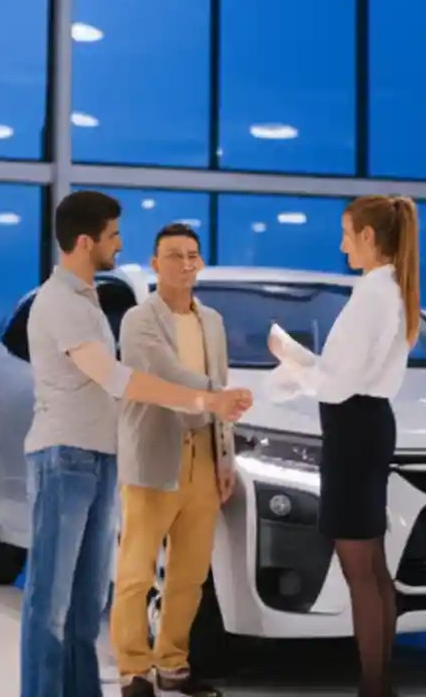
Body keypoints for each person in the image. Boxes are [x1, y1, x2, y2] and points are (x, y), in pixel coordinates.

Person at [19, 191, 252, 697]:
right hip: (66, 457)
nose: (118, 244)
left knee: (83, 607)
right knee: (51, 603)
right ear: (87, 241)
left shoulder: (88, 300)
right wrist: (208, 401)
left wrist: (218, 430)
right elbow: (120, 379)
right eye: (113, 236)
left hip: (98, 457)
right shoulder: (63, 303)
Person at [267, 194, 420, 697]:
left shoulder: (373, 295)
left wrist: (293, 369)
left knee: (361, 571)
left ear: (369, 237)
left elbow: (337, 382)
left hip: (353, 431)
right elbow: (344, 373)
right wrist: (305, 366)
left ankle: (373, 688)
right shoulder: (392, 291)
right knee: (373, 566)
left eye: (347, 233)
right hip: (369, 426)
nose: (341, 243)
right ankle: (381, 683)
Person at [111, 224, 234, 697]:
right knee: (137, 570)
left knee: (190, 573)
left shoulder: (214, 322)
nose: (185, 263)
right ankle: (133, 669)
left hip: (202, 454)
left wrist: (225, 458)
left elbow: (217, 382)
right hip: (153, 454)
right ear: (155, 263)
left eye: (192, 255)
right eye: (174, 256)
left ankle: (173, 664)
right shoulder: (139, 320)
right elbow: (164, 373)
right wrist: (218, 396)